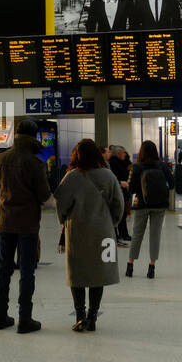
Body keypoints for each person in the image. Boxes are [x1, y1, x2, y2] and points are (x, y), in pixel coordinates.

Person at [0, 118, 53, 333]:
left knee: (3, 270)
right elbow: (44, 195)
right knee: (27, 271)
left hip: (5, 221)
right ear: (34, 137)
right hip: (28, 224)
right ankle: (25, 319)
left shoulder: (0, 158)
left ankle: (0, 316)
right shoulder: (35, 162)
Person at [56, 139, 124, 333]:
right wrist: (111, 224)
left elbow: (60, 204)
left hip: (77, 232)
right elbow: (118, 205)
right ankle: (93, 317)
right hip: (104, 233)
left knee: (77, 274)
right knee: (98, 274)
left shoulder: (71, 177)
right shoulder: (109, 176)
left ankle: (80, 316)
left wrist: (64, 221)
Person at [126, 140, 174, 279]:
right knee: (155, 235)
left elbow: (131, 188)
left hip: (142, 204)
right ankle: (151, 267)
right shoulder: (163, 166)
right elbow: (172, 184)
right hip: (159, 205)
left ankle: (130, 266)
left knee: (137, 235)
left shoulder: (137, 167)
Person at [107, 145, 133, 242]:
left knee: (123, 213)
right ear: (118, 154)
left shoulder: (123, 161)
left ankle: (123, 234)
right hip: (118, 191)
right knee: (117, 213)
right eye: (123, 153)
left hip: (124, 190)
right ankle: (117, 234)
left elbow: (129, 166)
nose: (125, 154)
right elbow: (113, 177)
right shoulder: (113, 163)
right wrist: (120, 182)